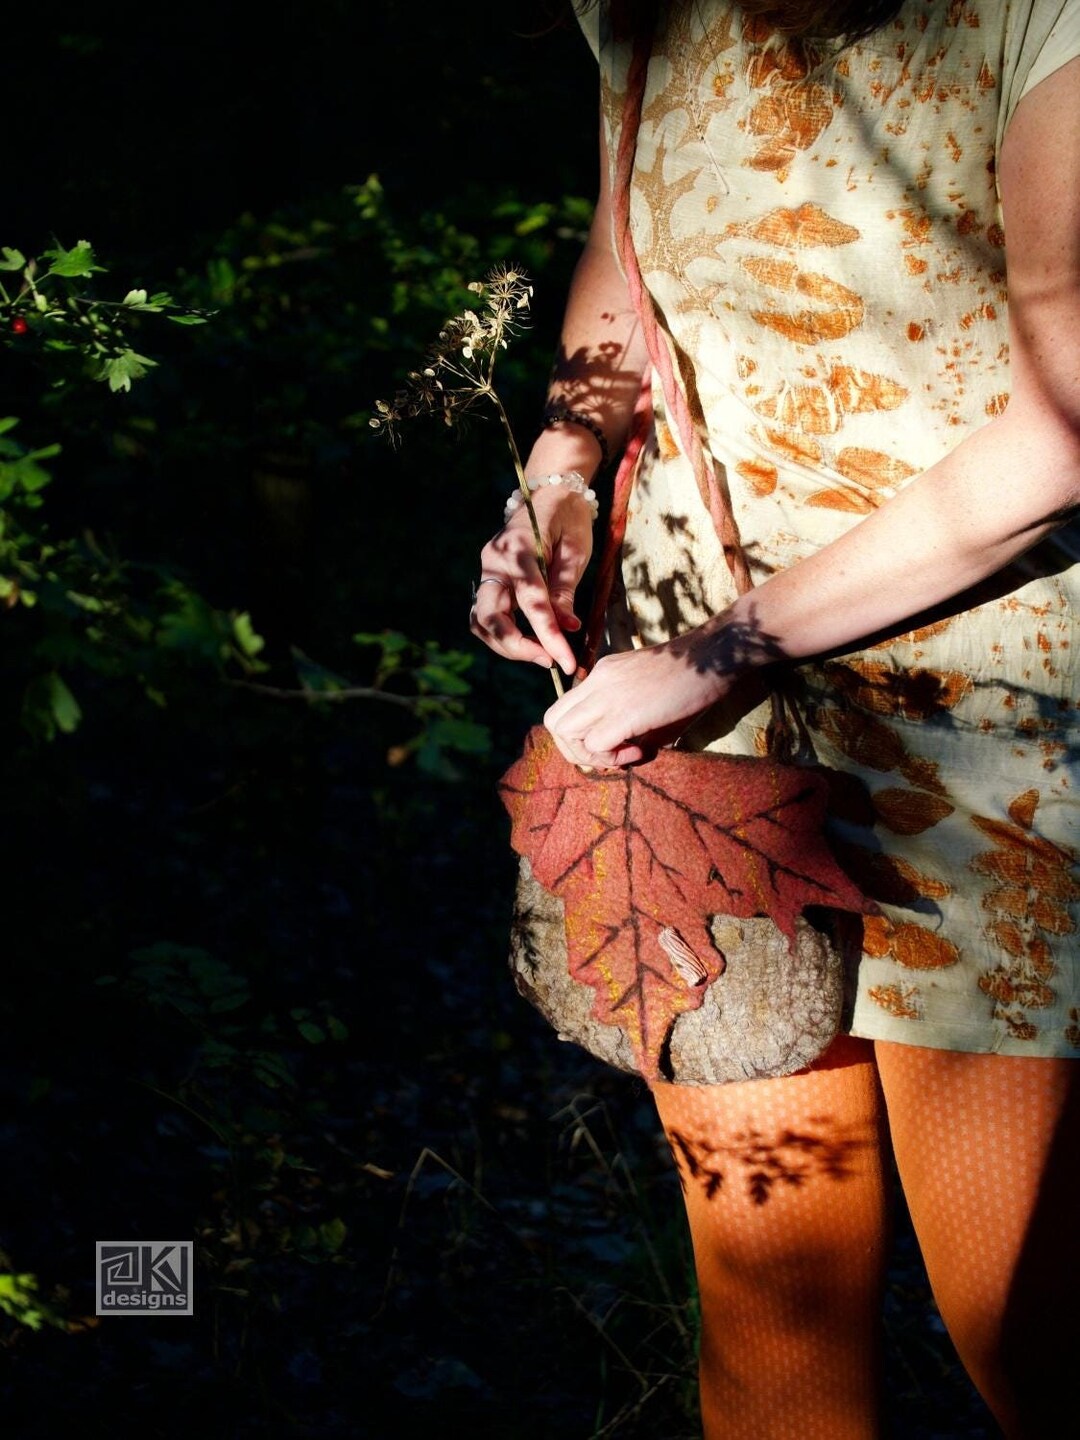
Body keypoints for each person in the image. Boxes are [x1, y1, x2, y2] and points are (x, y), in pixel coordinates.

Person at [469, 2, 1080, 1434]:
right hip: (702, 738)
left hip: (988, 735)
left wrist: (726, 646)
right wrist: (559, 476)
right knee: (768, 1322)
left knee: (1028, 1330)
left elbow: (1060, 433)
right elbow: (623, 262)